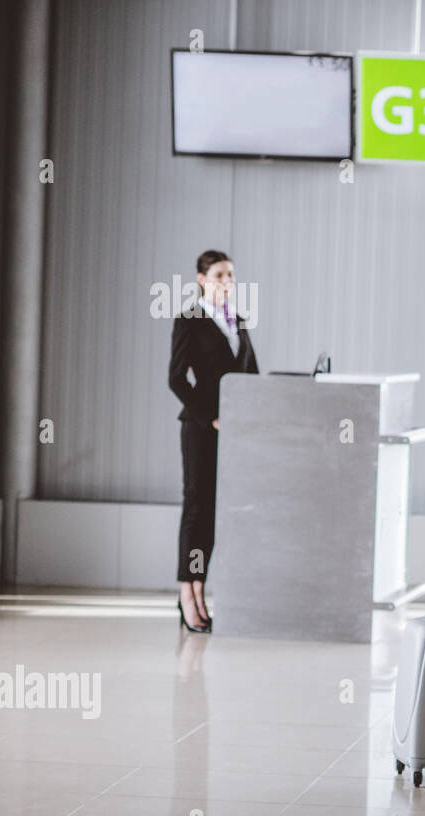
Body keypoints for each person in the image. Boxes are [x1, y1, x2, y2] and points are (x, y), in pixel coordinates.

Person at [167, 250, 259, 634]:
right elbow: (176, 379)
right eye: (220, 275)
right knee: (197, 510)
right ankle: (189, 593)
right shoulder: (189, 319)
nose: (227, 282)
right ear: (202, 279)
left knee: (216, 514)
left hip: (234, 433)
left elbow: (249, 374)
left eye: (231, 275)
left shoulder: (237, 320)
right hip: (202, 430)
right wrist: (211, 416)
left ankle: (200, 591)